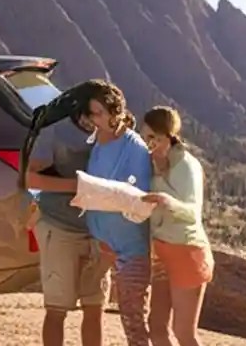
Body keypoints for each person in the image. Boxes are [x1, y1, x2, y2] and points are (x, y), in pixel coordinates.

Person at [24, 81, 109, 346]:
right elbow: (30, 179)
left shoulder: (111, 134)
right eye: (94, 113)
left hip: (97, 229)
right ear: (81, 111)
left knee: (95, 308)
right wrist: (77, 186)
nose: (98, 120)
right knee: (57, 309)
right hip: (59, 226)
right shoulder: (55, 133)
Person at [82, 80, 153, 346]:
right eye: (91, 114)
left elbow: (140, 199)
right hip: (107, 246)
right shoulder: (99, 145)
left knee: (135, 320)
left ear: (115, 113)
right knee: (129, 317)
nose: (94, 119)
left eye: (99, 113)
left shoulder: (133, 148)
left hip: (131, 250)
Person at [139, 106, 213, 346]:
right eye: (145, 137)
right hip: (161, 251)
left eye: (154, 138)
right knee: (157, 327)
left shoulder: (186, 165)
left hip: (186, 250)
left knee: (184, 332)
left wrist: (167, 201)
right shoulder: (153, 163)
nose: (149, 143)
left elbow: (192, 213)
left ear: (168, 136)